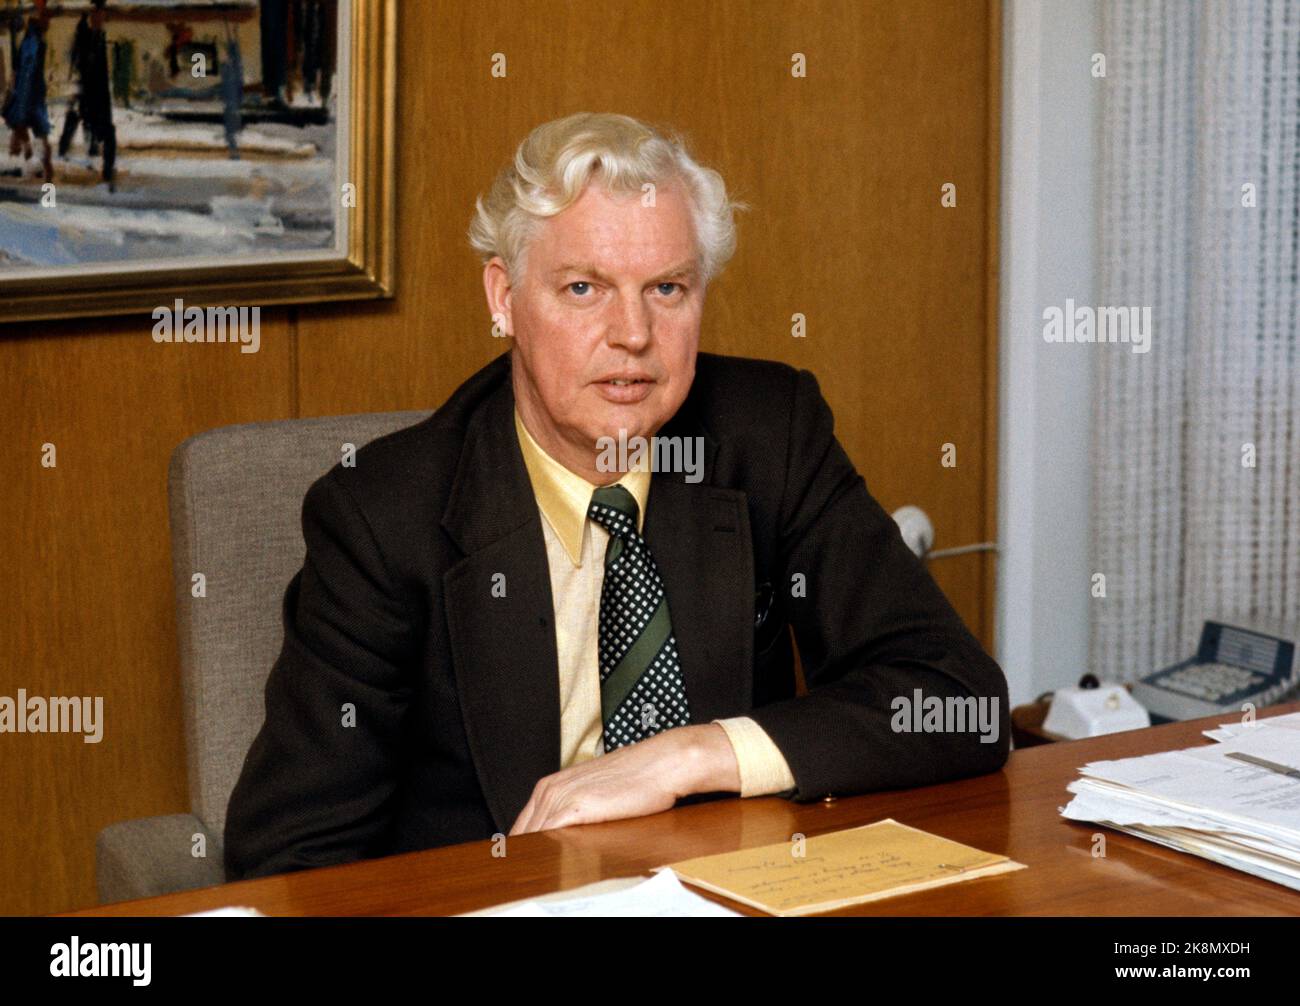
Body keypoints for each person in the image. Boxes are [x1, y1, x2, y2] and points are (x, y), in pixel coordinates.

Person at [224, 112, 1011, 880]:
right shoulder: (382, 515)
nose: (632, 333)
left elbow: (958, 700)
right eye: (583, 288)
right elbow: (289, 859)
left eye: (667, 288)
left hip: (728, 891)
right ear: (503, 297)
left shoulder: (767, 436)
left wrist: (692, 754)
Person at [57, 0, 114, 188]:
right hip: (90, 91)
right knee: (81, 119)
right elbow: (80, 62)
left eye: (102, 15)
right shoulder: (87, 36)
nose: (100, 19)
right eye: (98, 15)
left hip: (97, 93)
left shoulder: (97, 36)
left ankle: (106, 168)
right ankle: (64, 148)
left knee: (103, 129)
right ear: (93, 17)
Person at [2, 10, 53, 182]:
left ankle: (41, 168)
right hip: (31, 98)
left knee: (34, 132)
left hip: (31, 98)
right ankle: (42, 170)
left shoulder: (33, 41)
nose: (49, 24)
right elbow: (26, 73)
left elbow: (26, 73)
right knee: (37, 133)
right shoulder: (33, 41)